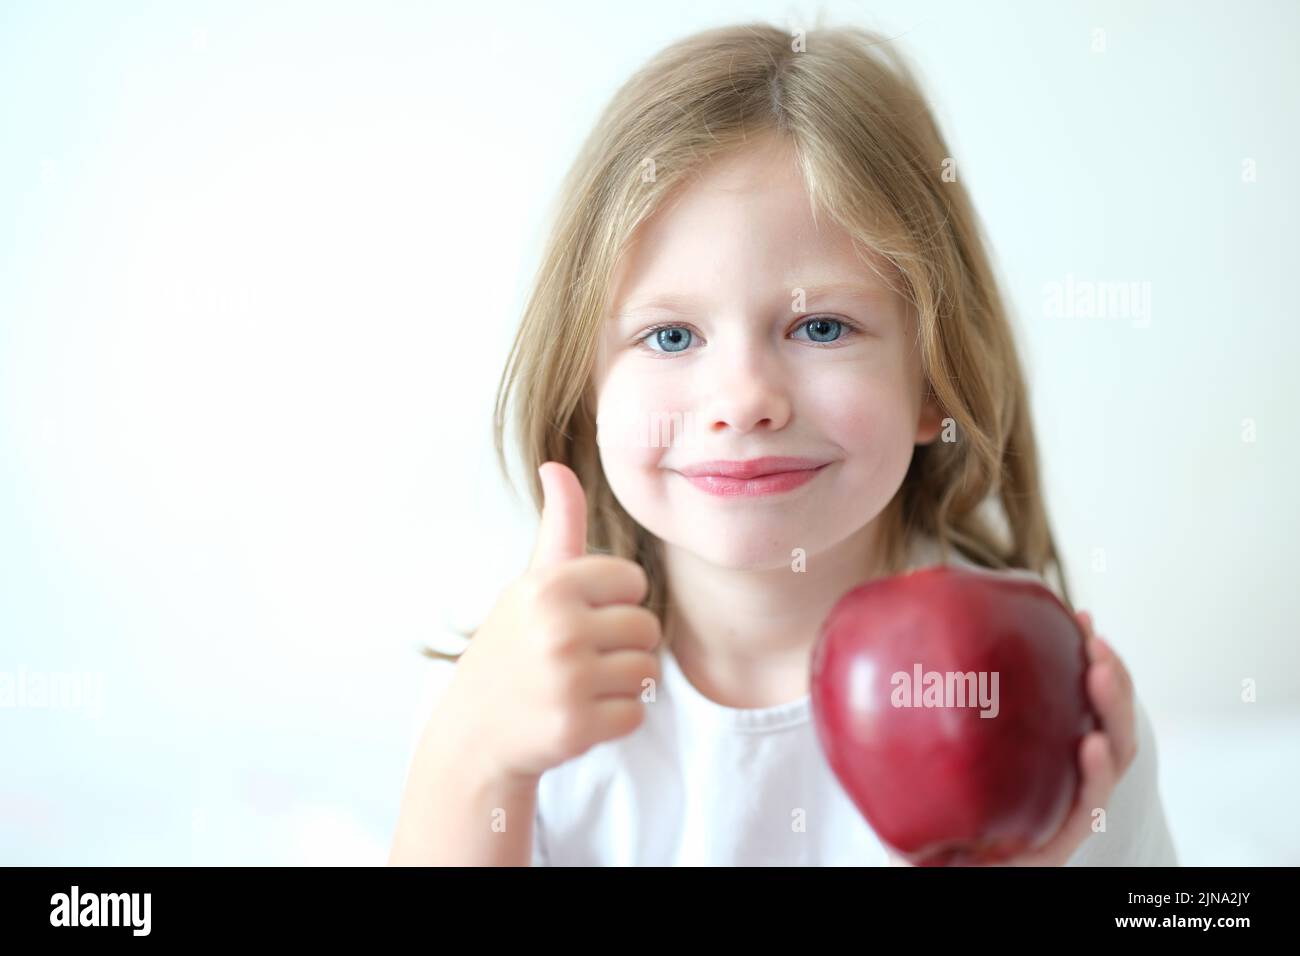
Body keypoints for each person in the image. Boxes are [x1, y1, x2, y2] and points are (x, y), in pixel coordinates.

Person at [388, 21, 1179, 867]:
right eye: (669, 337)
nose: (744, 401)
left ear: (936, 383)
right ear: (586, 394)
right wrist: (469, 764)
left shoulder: (1044, 700)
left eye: (821, 325)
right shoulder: (511, 685)